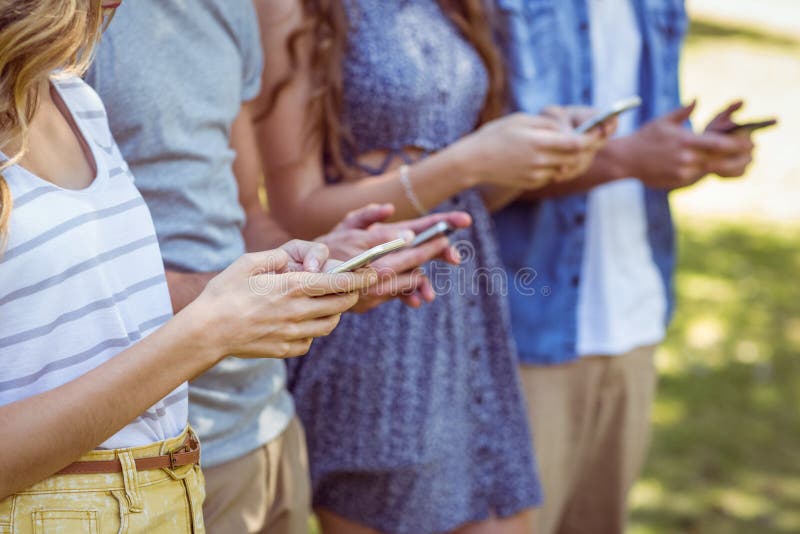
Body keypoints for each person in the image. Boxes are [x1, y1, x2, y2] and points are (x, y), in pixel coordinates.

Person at [85, 1, 469, 532]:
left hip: (266, 423)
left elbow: (246, 213)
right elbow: (64, 281)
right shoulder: (59, 21)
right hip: (144, 454)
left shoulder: (226, 8)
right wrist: (242, 302)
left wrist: (319, 260)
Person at [0, 1, 376, 532]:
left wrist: (263, 290)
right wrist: (208, 333)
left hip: (171, 494)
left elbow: (108, 305)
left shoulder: (76, 100)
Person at [253, 1, 613, 532]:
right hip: (378, 330)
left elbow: (462, 196)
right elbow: (297, 210)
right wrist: (468, 159)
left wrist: (533, 156)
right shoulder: (295, 9)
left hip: (472, 326)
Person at [493, 1, 758, 532]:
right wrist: (626, 158)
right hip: (525, 326)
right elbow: (472, 167)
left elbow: (647, 141)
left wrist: (692, 154)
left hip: (634, 314)